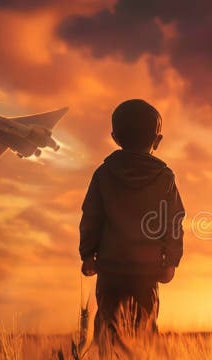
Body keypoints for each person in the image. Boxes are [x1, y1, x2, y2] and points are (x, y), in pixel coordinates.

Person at [79, 99, 184, 345]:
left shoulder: (103, 174)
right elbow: (174, 222)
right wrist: (171, 261)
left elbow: (91, 216)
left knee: (107, 330)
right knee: (145, 332)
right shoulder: (165, 177)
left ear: (115, 137)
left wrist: (88, 254)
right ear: (157, 140)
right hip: (147, 270)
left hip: (110, 268)